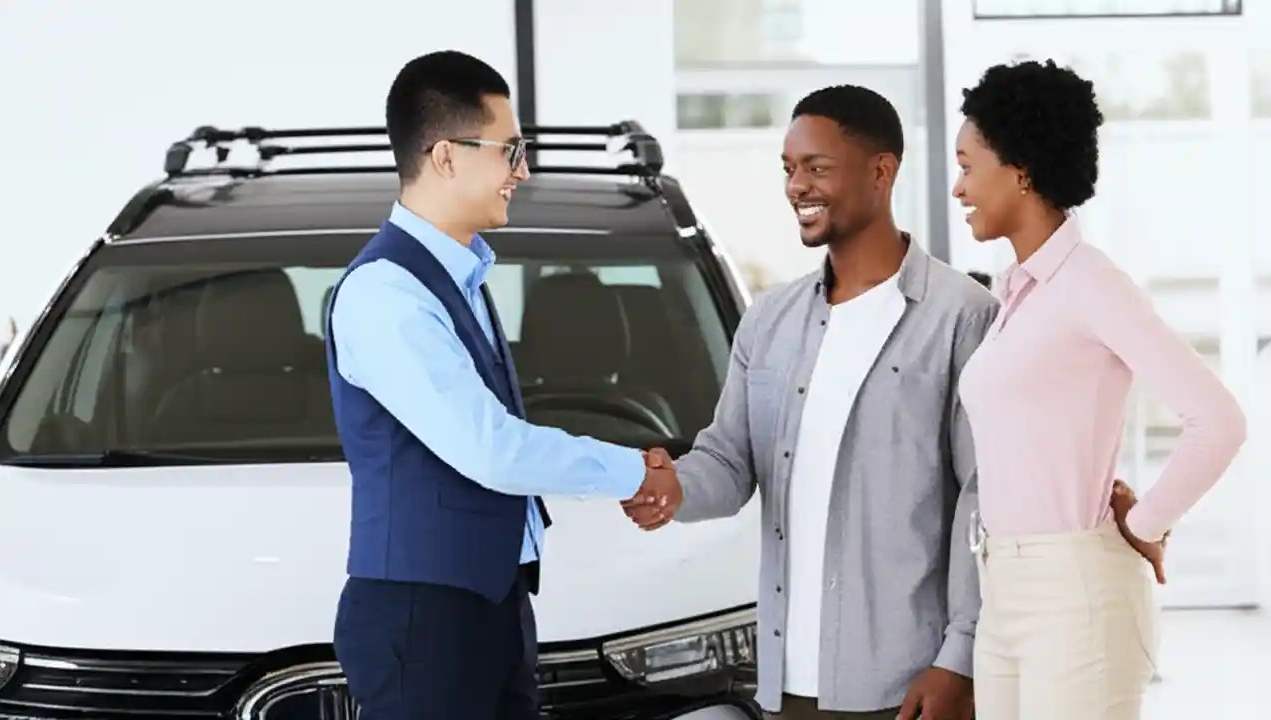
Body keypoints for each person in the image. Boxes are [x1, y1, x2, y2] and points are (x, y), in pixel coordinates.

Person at [325, 50, 681, 720]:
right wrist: (633, 470)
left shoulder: (454, 275)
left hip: (485, 603)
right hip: (425, 615)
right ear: (447, 157)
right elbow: (491, 450)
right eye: (509, 150)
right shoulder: (387, 293)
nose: (524, 171)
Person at [623, 85, 997, 720]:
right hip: (786, 683)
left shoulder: (962, 317)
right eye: (789, 169)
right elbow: (728, 459)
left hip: (906, 687)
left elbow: (983, 499)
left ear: (883, 171)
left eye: (817, 167)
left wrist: (957, 659)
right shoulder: (770, 320)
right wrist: (673, 487)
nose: (797, 186)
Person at [951, 59, 1248, 720]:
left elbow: (1218, 420)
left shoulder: (1090, 283)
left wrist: (1145, 523)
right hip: (1002, 588)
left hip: (1076, 595)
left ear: (1020, 170)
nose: (957, 187)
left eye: (969, 166)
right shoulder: (1017, 294)